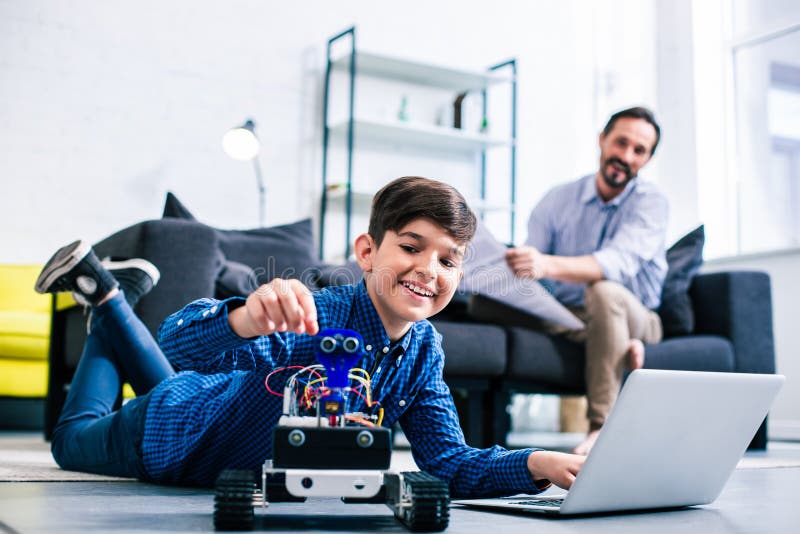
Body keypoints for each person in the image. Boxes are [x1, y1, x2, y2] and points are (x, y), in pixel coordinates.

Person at [35, 176, 584, 497]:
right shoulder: (316, 316)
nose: (429, 270)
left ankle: (116, 295)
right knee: (71, 439)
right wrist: (248, 318)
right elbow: (178, 343)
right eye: (412, 248)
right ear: (367, 253)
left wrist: (536, 462)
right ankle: (107, 298)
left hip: (211, 413)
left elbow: (446, 460)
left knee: (190, 393)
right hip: (165, 440)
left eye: (449, 260)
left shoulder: (422, 354)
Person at [505, 107, 668, 455]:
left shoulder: (651, 203)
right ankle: (621, 346)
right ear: (602, 140)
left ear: (647, 159)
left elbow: (615, 264)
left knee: (604, 291)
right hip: (569, 314)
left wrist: (545, 265)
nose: (625, 156)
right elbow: (532, 268)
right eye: (620, 142)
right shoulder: (557, 199)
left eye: (638, 151)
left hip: (636, 312)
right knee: (484, 302)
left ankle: (600, 428)